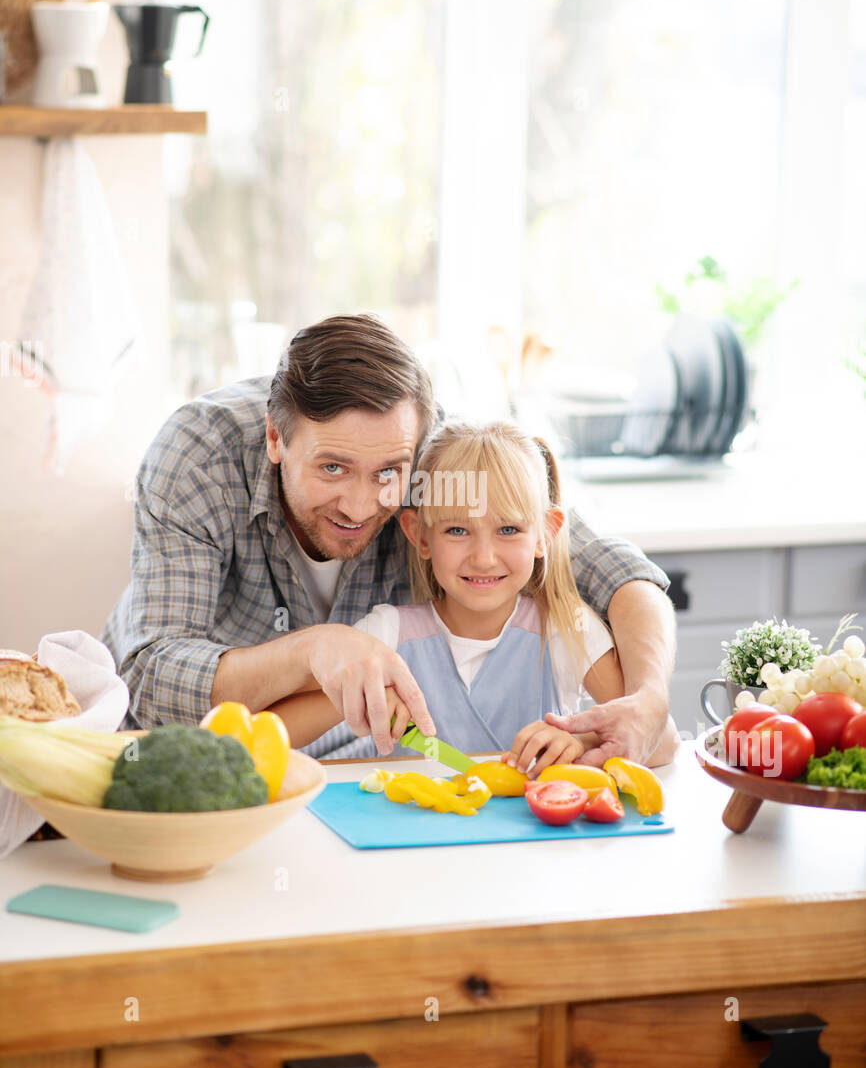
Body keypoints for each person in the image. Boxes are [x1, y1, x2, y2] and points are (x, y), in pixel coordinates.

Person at [101, 314, 676, 765]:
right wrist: (311, 651)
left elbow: (610, 568)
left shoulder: (432, 453)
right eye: (332, 469)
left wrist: (649, 702)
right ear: (277, 438)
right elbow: (153, 679)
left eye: (387, 474)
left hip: (356, 763)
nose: (360, 505)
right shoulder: (200, 455)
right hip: (193, 757)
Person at [274, 420, 680, 771]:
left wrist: (584, 744)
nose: (484, 558)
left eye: (508, 530)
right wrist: (357, 697)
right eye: (457, 531)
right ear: (419, 535)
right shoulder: (388, 634)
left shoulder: (567, 628)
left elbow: (662, 743)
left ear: (546, 534)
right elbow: (274, 736)